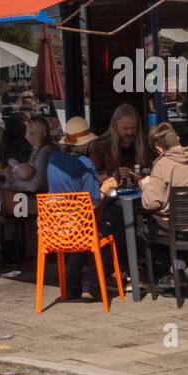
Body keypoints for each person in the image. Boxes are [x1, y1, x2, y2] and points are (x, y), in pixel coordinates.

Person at [139, 122, 188, 296]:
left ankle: (183, 273)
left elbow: (151, 204)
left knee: (143, 230)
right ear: (178, 140)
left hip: (180, 231)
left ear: (159, 149)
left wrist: (146, 185)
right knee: (171, 225)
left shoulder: (162, 165)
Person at [47, 116, 118, 301]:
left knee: (78, 239)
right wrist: (105, 187)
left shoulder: (53, 159)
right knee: (106, 229)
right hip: (80, 227)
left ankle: (72, 287)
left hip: (58, 228)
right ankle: (91, 285)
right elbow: (92, 203)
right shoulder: (85, 164)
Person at [91, 102, 151, 182]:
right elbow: (92, 176)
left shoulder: (145, 143)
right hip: (111, 192)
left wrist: (136, 175)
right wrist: (112, 177)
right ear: (115, 126)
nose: (130, 132)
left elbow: (152, 171)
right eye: (125, 128)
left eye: (133, 128)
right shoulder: (101, 145)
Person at [2, 115, 53, 205]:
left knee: (0, 195)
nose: (26, 136)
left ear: (42, 134)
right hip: (36, 197)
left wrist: (11, 182)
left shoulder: (45, 152)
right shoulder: (38, 150)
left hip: (41, 201)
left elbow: (34, 185)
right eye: (27, 132)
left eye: (31, 133)